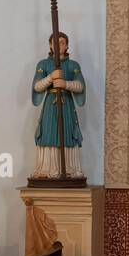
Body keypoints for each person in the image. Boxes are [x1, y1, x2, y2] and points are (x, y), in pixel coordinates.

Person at [30, 32, 86, 179]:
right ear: (50, 45)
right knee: (49, 133)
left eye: (62, 42)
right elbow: (37, 87)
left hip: (66, 103)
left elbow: (80, 86)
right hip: (50, 104)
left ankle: (69, 169)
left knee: (67, 133)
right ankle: (47, 169)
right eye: (55, 42)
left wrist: (66, 84)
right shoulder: (43, 64)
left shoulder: (73, 65)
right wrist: (50, 78)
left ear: (67, 45)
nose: (58, 45)